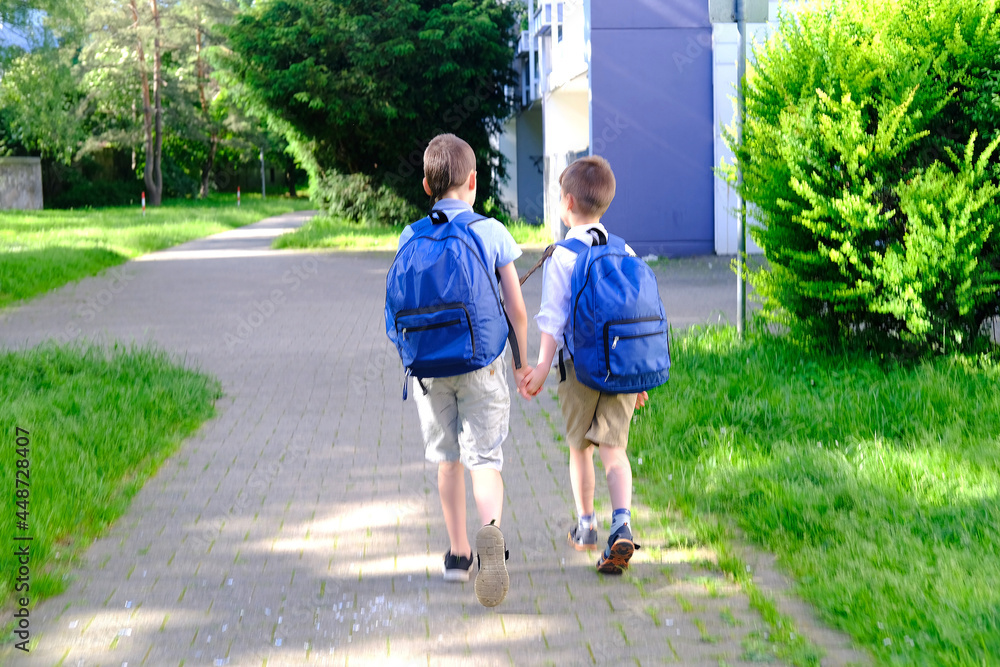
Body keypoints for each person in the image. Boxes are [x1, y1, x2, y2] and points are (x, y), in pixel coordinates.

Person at [394, 134, 531, 606]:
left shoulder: (410, 236)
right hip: (483, 362)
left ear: (427, 185)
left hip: (429, 367)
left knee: (446, 459)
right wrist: (521, 362)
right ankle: (490, 533)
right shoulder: (491, 231)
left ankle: (457, 554)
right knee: (485, 459)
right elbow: (516, 309)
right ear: (474, 182)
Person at [521, 156, 648, 574]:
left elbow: (553, 318)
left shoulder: (562, 255)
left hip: (579, 372)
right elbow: (634, 317)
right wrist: (637, 374)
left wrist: (540, 367)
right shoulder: (624, 250)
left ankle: (586, 525)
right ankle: (623, 521)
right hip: (621, 368)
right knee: (615, 451)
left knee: (580, 449)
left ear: (568, 201)